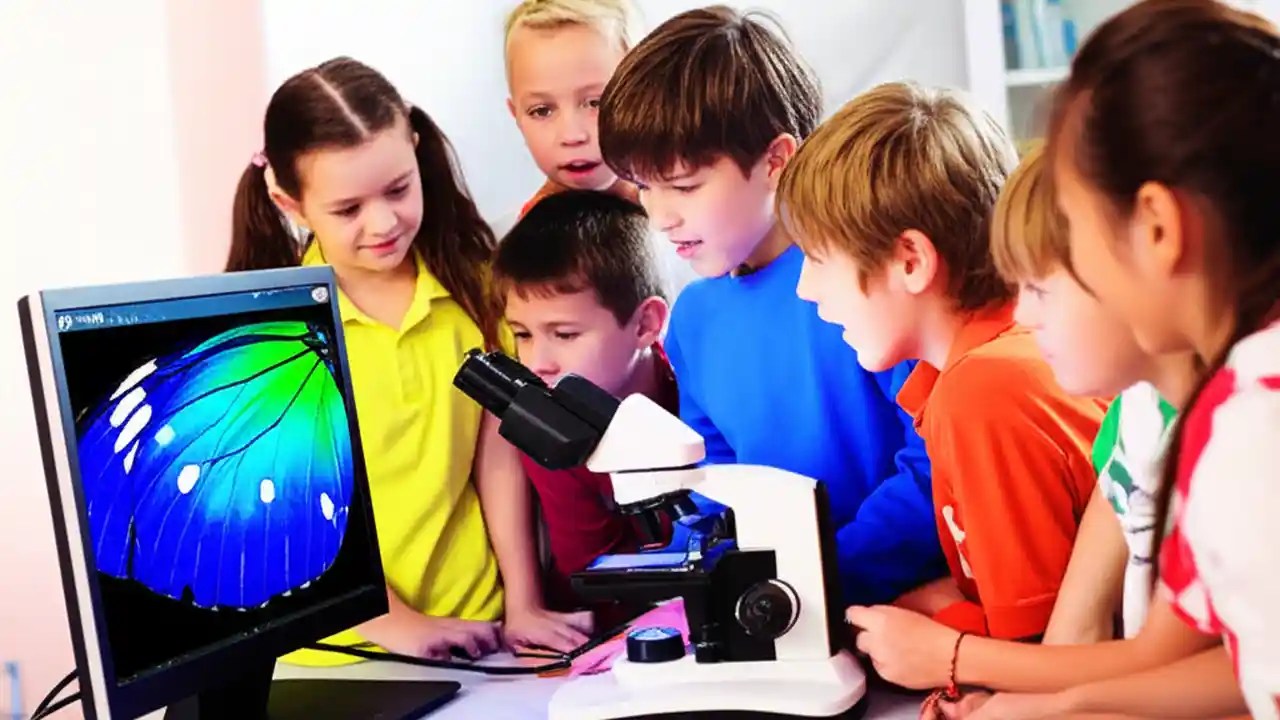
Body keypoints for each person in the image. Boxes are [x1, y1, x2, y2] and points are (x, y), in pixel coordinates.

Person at [962, 1, 1280, 718]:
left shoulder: (1253, 420)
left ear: (1159, 228)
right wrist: (1064, 706)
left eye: (1073, 228)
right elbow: (1244, 661)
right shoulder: (1227, 400)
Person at [226, 56, 591, 663]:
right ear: (288, 202)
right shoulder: (271, 329)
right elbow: (280, 508)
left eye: (398, 188)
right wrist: (394, 622)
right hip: (336, 654)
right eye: (348, 210)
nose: (384, 221)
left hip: (479, 634)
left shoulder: (478, 288)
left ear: (416, 151)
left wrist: (523, 602)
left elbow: (497, 455)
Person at [828, 143, 1209, 719]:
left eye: (1041, 288)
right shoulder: (1138, 413)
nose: (1024, 317)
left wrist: (957, 658)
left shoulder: (1244, 427)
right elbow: (1113, 646)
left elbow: (1232, 676)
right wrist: (1012, 702)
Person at [597, 6, 945, 607]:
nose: (660, 216)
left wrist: (821, 574)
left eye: (683, 186)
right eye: (643, 186)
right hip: (784, 609)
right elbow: (716, 478)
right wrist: (699, 574)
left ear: (777, 161)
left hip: (903, 607)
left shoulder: (868, 285)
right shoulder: (695, 319)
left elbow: (937, 460)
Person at [779, 82, 1107, 658]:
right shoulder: (976, 370)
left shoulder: (985, 389)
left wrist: (938, 646)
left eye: (817, 258)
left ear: (911, 261)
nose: (805, 289)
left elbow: (1040, 643)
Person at [491, 189, 677, 628]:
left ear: (646, 324)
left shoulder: (702, 395)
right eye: (522, 334)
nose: (538, 362)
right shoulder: (551, 434)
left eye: (566, 334)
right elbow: (595, 574)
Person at [504, 0, 641, 215]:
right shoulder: (535, 236)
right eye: (542, 111)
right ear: (517, 118)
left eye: (596, 103)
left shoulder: (688, 202)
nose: (572, 136)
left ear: (643, 99)